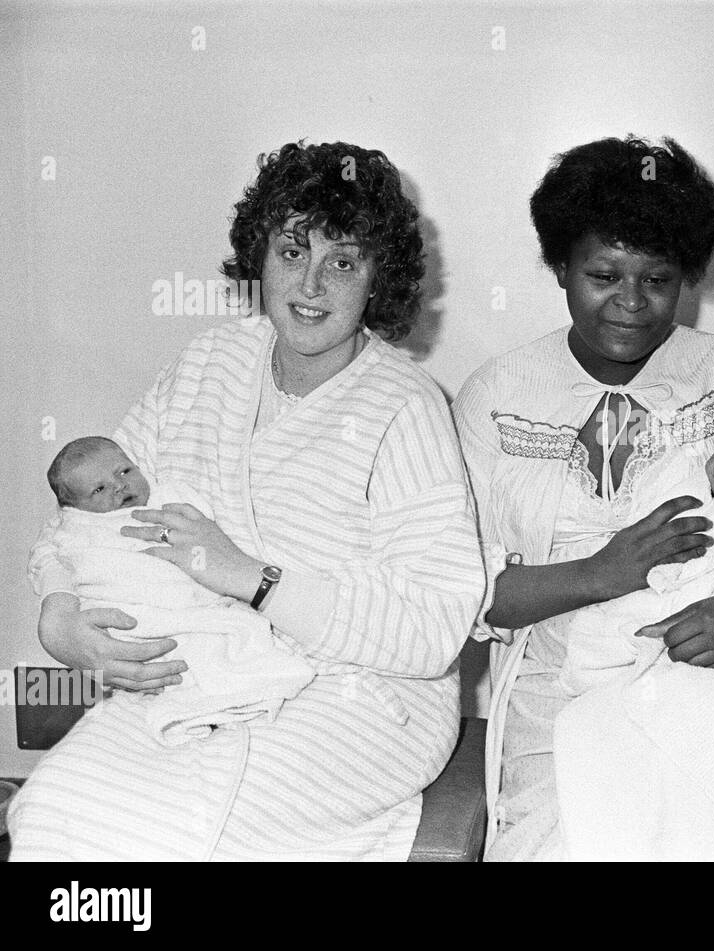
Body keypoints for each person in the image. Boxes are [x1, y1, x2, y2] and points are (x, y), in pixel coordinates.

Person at [9, 141, 485, 860]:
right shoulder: (209, 363)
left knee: (179, 830)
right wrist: (58, 615)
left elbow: (433, 627)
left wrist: (251, 578)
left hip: (360, 698)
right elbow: (83, 510)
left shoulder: (405, 406)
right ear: (259, 255)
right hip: (199, 671)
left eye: (343, 262)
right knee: (52, 810)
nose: (311, 284)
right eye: (292, 251)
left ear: (378, 277)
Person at [452, 135, 714, 860]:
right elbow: (459, 586)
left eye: (658, 279)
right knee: (579, 828)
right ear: (560, 266)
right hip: (562, 677)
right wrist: (600, 573)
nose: (632, 303)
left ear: (687, 276)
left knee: (695, 758)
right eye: (604, 275)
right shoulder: (498, 396)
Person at [40, 436, 315, 746]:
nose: (119, 486)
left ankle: (222, 696)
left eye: (124, 471)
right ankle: (197, 701)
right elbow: (60, 556)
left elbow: (207, 535)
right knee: (173, 652)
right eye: (99, 489)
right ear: (76, 509)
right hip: (137, 615)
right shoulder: (81, 528)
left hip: (196, 605)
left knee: (221, 638)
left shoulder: (169, 498)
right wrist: (57, 623)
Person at [559, 410, 714, 697]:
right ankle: (602, 673)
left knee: (644, 630)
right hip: (677, 579)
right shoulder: (700, 488)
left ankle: (614, 670)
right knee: (609, 623)